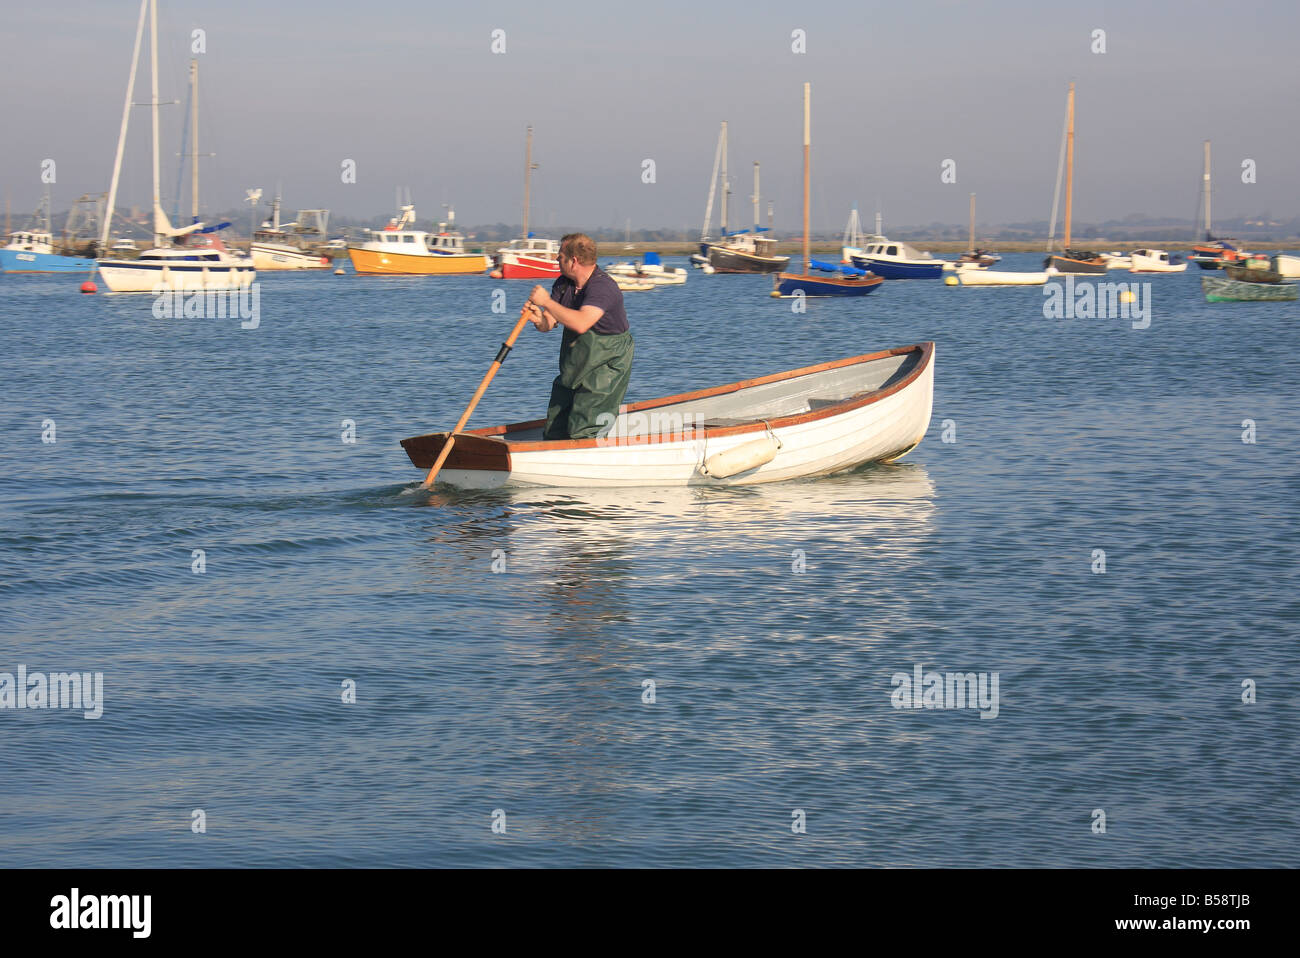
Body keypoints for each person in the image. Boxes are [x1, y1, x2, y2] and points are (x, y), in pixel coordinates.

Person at [526, 233, 634, 440]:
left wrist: (546, 302)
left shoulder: (603, 287)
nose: (556, 260)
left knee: (584, 427)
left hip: (607, 364)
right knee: (555, 426)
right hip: (576, 364)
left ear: (573, 261)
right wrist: (539, 319)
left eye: (560, 257)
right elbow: (550, 322)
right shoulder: (563, 284)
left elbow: (581, 323)